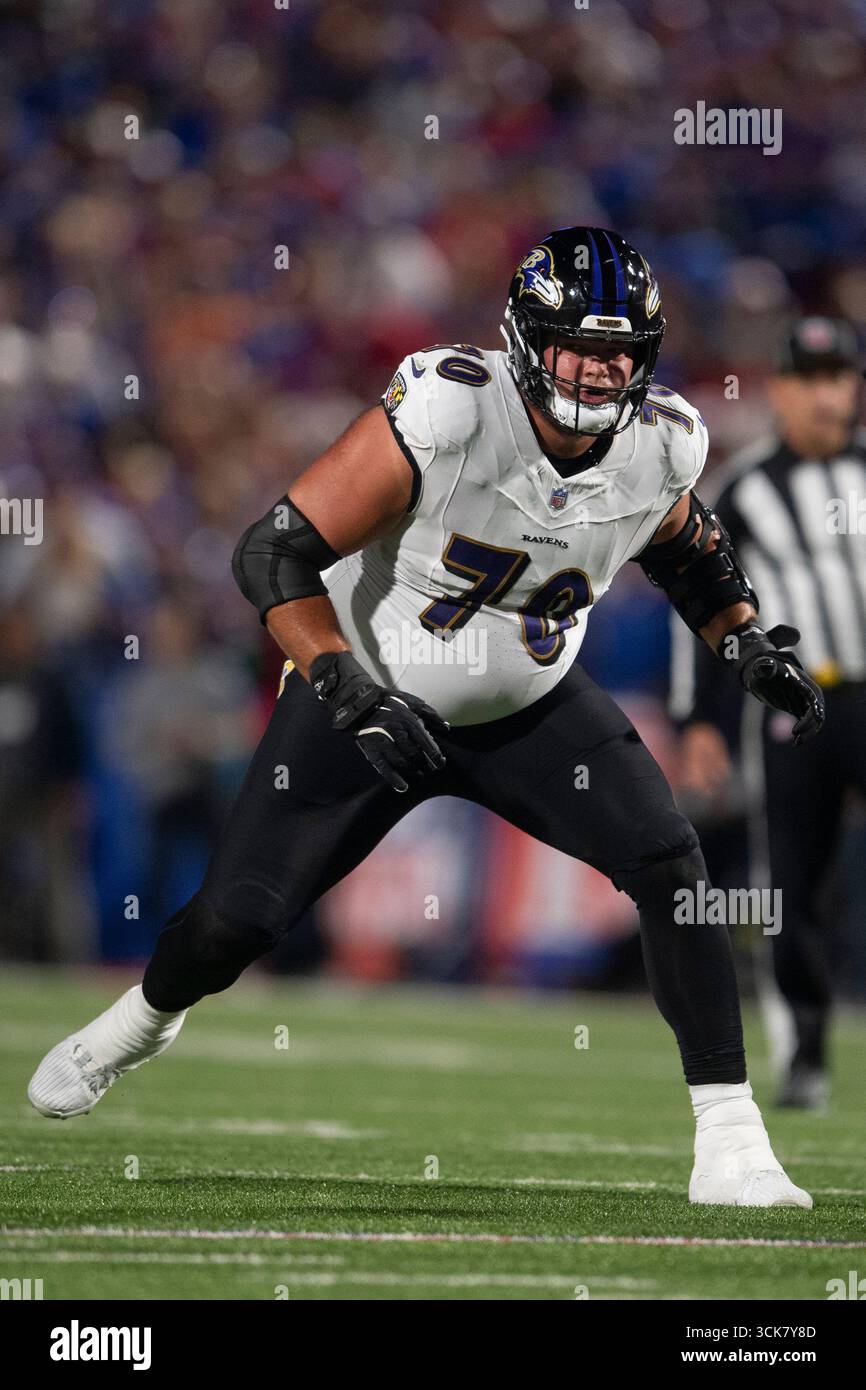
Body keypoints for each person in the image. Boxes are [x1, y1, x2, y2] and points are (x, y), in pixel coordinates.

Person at [29, 228, 824, 1207]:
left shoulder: (663, 438)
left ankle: (730, 1141)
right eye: (578, 346)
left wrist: (740, 638)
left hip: (528, 706)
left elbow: (685, 549)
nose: (597, 370)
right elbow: (270, 554)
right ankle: (139, 1024)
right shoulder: (451, 407)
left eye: (618, 354)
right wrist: (341, 684)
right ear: (527, 340)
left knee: (671, 866)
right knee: (236, 921)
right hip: (369, 697)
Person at [675, 317, 866, 1109]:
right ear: (780, 391)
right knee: (791, 881)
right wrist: (701, 719)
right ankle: (804, 1057)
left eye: (840, 377)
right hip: (797, 705)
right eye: (809, 380)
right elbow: (698, 599)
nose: (827, 394)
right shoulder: (743, 490)